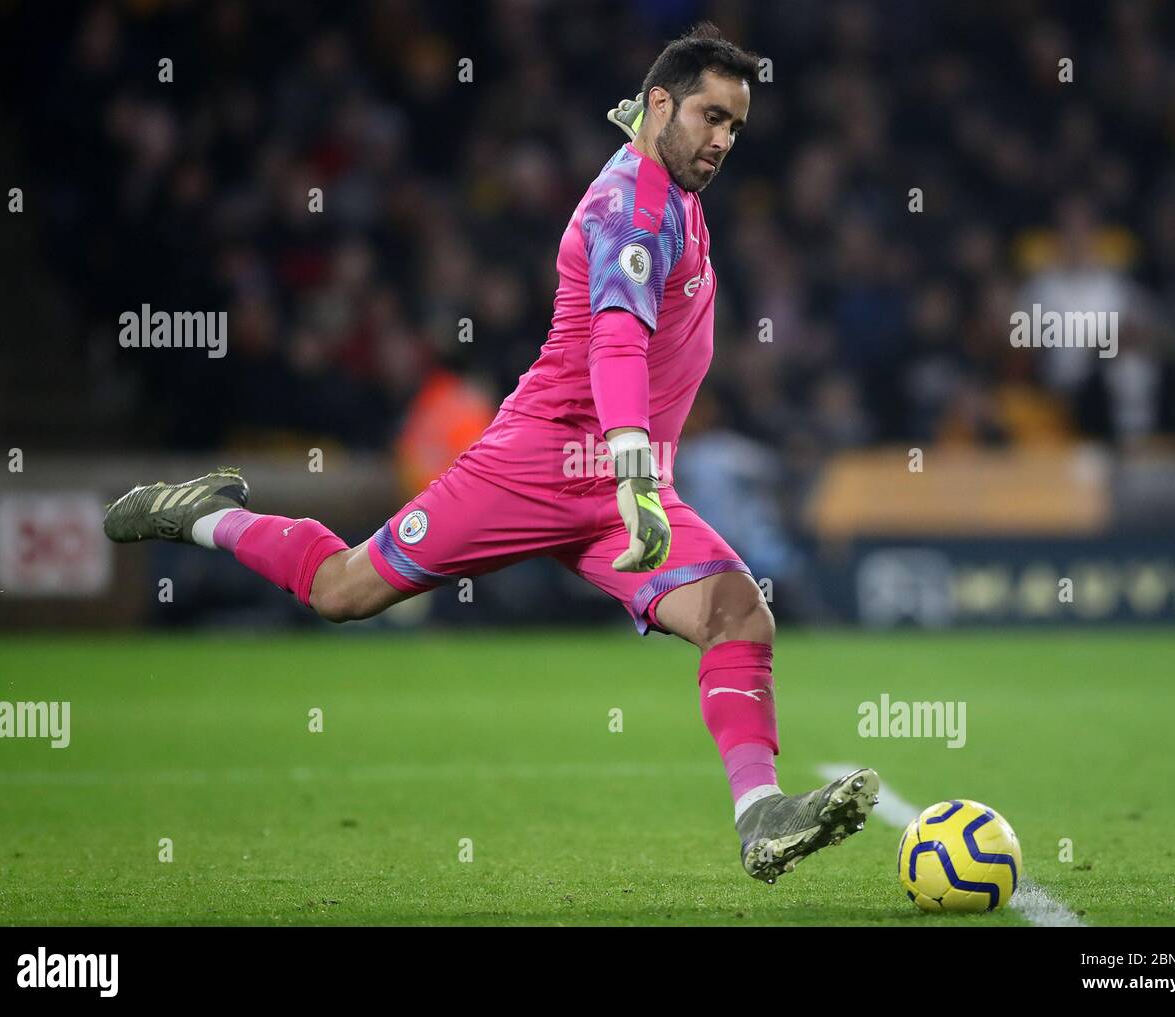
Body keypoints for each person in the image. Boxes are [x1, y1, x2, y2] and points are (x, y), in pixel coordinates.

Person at [103, 22, 878, 883]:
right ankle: (209, 516)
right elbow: (616, 341)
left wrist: (636, 477)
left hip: (624, 487)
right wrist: (634, 472)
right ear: (660, 104)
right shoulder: (632, 207)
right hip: (539, 467)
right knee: (341, 591)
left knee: (739, 614)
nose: (724, 139)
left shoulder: (669, 189)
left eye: (736, 124)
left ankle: (760, 813)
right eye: (709, 116)